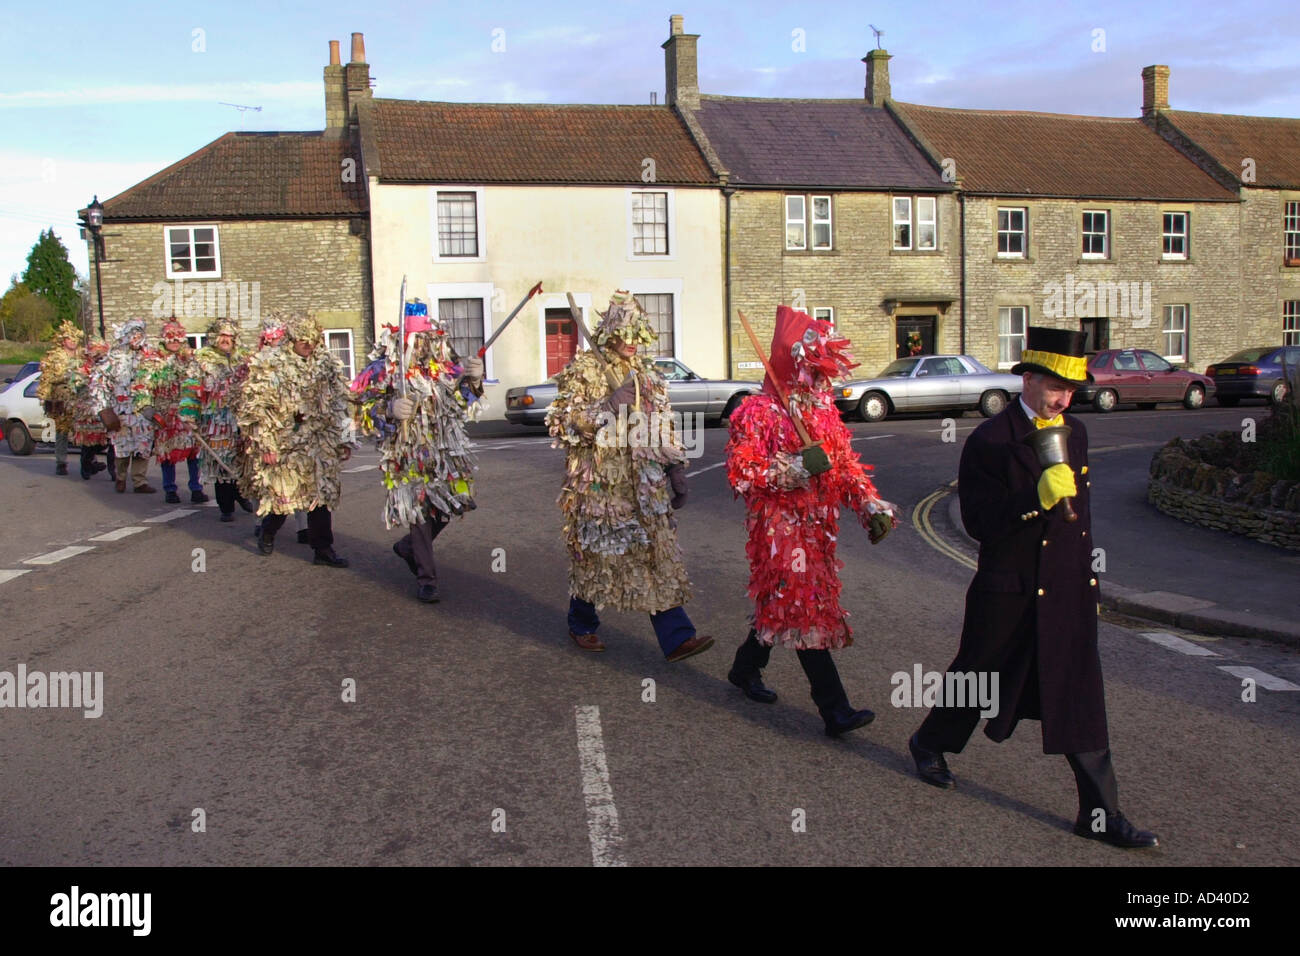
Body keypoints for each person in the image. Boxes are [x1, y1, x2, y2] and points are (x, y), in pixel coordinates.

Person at [907, 327, 1159, 849]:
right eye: (1055, 385)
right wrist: (1032, 498)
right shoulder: (990, 441)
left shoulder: (1077, 432)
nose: (1064, 397)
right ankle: (929, 742)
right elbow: (978, 522)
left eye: (1071, 388)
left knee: (1078, 696)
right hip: (1010, 588)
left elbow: (1080, 519)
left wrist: (1087, 581)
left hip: (1065, 588)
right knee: (977, 678)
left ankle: (1101, 814)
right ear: (1029, 378)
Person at [725, 306, 899, 737]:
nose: (822, 383)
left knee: (780, 603)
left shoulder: (823, 415)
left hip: (817, 528)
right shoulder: (757, 413)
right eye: (813, 373)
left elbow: (843, 468)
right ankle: (834, 709)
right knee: (804, 609)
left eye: (824, 375)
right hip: (778, 528)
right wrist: (795, 469)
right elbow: (743, 475)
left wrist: (869, 505)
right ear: (793, 366)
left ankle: (744, 670)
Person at [546, 290, 712, 663]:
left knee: (652, 553)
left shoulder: (648, 376)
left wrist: (675, 467)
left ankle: (677, 637)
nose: (632, 344)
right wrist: (605, 407)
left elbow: (662, 427)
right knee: (597, 557)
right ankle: (582, 623)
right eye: (625, 336)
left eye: (638, 336)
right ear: (608, 335)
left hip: (644, 483)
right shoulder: (585, 370)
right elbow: (562, 423)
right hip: (601, 484)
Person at [351, 302, 480, 603]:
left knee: (452, 506)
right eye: (416, 339)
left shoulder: (445, 370)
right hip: (407, 453)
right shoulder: (386, 370)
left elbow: (462, 403)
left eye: (426, 339)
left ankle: (408, 548)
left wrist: (473, 380)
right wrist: (389, 409)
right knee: (420, 513)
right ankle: (427, 578)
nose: (422, 345)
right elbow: (363, 407)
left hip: (446, 454)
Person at [238, 312, 354, 566]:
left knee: (320, 496)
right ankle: (268, 531)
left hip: (320, 441)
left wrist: (346, 440)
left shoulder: (327, 364)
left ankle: (323, 549)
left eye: (312, 339)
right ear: (291, 339)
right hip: (285, 443)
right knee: (284, 497)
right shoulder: (272, 365)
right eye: (303, 339)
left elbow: (341, 403)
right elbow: (258, 407)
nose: (308, 344)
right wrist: (266, 444)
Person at [189, 318, 253, 522]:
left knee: (243, 459)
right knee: (221, 461)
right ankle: (226, 506)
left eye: (229, 336)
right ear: (215, 338)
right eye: (222, 336)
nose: (226, 340)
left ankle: (240, 493)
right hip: (215, 420)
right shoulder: (201, 360)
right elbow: (191, 387)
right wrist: (189, 414)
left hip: (242, 418)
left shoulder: (244, 359)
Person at [138, 319, 207, 504]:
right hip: (165, 414)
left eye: (177, 339)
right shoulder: (153, 361)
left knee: (194, 451)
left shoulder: (192, 359)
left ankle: (196, 488)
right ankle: (170, 489)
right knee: (167, 453)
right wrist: (147, 408)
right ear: (164, 340)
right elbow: (141, 385)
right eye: (170, 339)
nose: (174, 342)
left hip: (190, 411)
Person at [90, 318, 157, 493]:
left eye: (139, 334)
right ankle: (120, 477)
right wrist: (103, 408)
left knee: (143, 446)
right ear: (127, 336)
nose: (136, 338)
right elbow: (98, 382)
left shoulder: (150, 358)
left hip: (143, 411)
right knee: (122, 446)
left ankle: (139, 481)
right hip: (120, 410)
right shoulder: (114, 357)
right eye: (133, 335)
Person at [35, 321, 83, 475]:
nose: (73, 341)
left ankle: (88, 461)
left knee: (84, 429)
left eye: (75, 338)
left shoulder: (81, 355)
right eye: (70, 338)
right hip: (61, 397)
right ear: (64, 341)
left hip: (80, 398)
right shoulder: (55, 357)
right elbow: (46, 378)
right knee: (62, 431)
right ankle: (61, 462)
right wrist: (44, 397)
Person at [68, 339, 117, 482]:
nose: (98, 355)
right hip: (89, 412)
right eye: (95, 352)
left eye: (101, 352)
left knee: (112, 441)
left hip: (108, 409)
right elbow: (75, 387)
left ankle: (113, 471)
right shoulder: (82, 369)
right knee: (90, 443)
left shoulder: (110, 367)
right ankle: (86, 467)